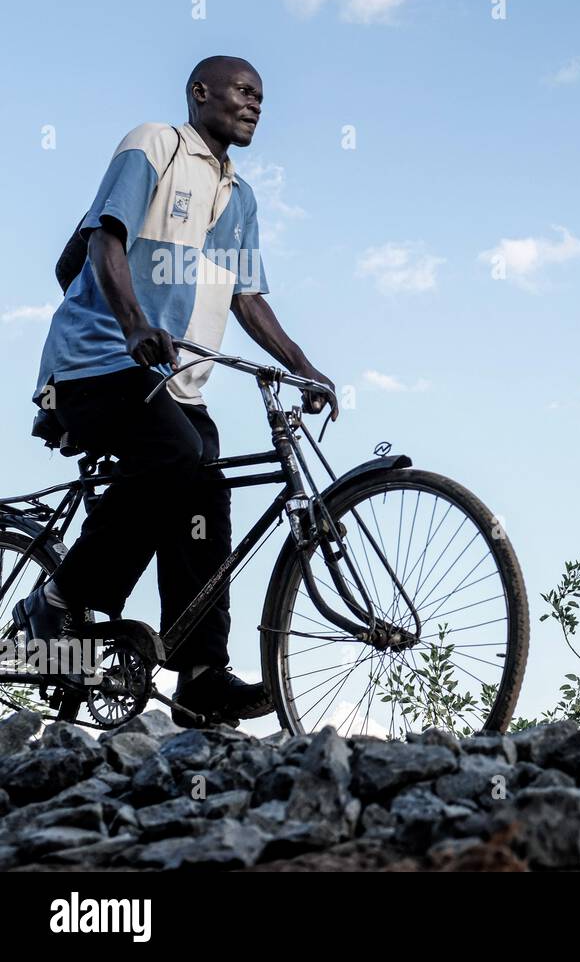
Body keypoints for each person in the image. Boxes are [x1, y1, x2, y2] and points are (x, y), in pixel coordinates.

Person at [15, 56, 338, 726]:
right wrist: (134, 325)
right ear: (201, 93)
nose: (255, 104)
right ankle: (55, 605)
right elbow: (106, 238)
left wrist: (304, 365)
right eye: (244, 91)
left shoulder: (238, 195)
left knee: (205, 490)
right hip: (95, 364)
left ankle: (199, 675)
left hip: (174, 385)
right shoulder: (155, 145)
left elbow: (247, 298)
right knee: (173, 456)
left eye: (262, 97)